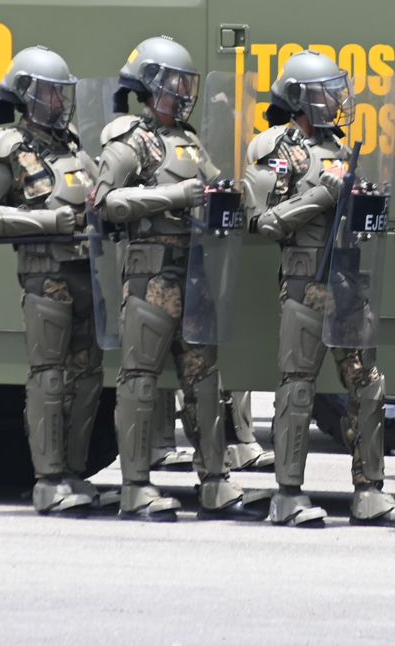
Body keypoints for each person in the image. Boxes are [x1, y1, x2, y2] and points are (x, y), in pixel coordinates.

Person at [245, 51, 395, 527]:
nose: (335, 101)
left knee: (368, 385)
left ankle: (369, 490)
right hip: (304, 281)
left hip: (345, 280)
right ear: (300, 98)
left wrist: (365, 205)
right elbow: (262, 222)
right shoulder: (273, 147)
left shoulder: (340, 150)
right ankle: (287, 493)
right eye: (325, 93)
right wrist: (324, 193)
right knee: (298, 387)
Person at [92, 36, 261, 519]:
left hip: (193, 275)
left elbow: (210, 186)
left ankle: (214, 480)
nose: (183, 93)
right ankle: (135, 486)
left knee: (204, 381)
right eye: (173, 83)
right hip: (149, 277)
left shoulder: (187, 141)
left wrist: (231, 193)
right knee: (140, 381)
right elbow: (105, 203)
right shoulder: (130, 142)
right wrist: (176, 196)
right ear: (148, 85)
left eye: (188, 84)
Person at [0, 47, 107, 516]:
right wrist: (48, 222)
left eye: (61, 92)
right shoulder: (7, 147)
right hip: (45, 277)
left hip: (86, 274)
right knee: (48, 377)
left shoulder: (71, 147)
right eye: (49, 91)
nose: (58, 100)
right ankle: (47, 480)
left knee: (87, 379)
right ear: (27, 94)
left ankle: (74, 472)